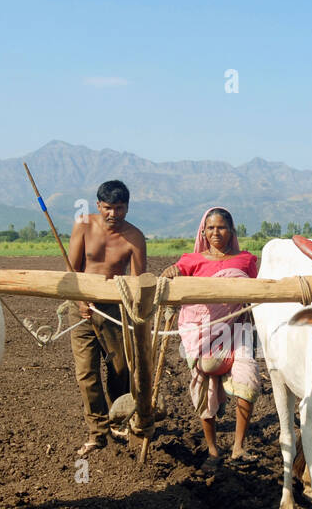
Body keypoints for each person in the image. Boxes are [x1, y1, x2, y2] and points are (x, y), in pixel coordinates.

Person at [160, 207, 259, 472]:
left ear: (232, 230)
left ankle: (239, 446)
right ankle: (213, 450)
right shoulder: (190, 260)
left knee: (248, 381)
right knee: (205, 388)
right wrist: (171, 272)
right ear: (203, 231)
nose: (216, 232)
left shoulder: (247, 260)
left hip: (237, 330)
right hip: (202, 333)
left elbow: (260, 290)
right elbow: (176, 275)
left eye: (222, 227)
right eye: (211, 228)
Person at [68, 180, 147, 457]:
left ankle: (117, 420)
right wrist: (79, 301)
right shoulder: (83, 225)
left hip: (114, 309)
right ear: (98, 205)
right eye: (108, 208)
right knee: (86, 373)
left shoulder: (135, 238)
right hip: (81, 307)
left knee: (121, 369)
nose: (113, 214)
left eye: (119, 208)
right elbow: (73, 270)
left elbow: (138, 284)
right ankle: (97, 431)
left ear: (127, 207)